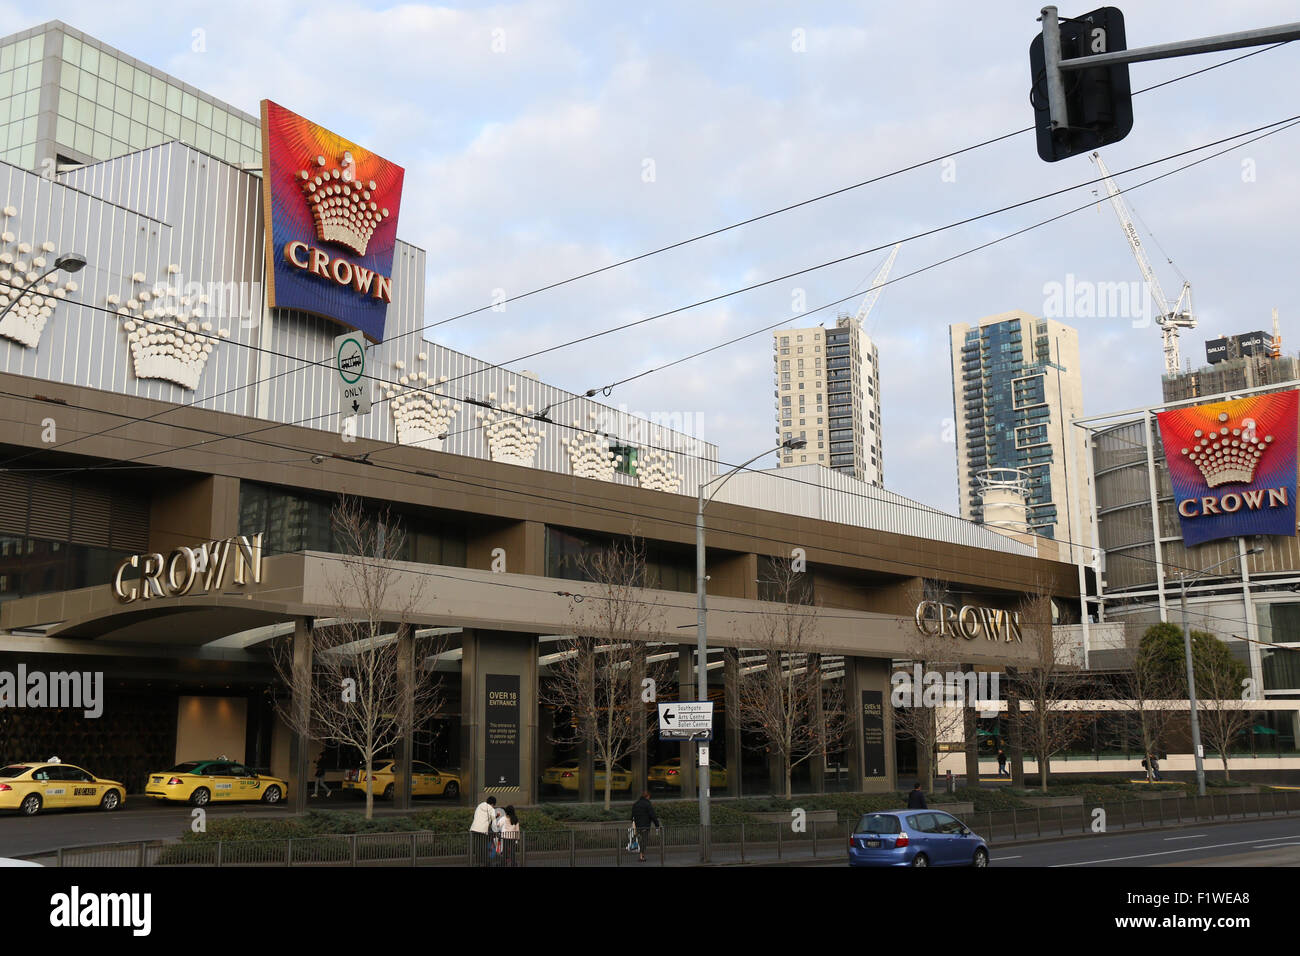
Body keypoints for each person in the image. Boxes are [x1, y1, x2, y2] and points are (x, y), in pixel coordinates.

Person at [630, 790, 660, 863]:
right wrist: (657, 825)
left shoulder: (635, 804)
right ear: (648, 797)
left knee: (639, 840)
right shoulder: (647, 804)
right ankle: (641, 856)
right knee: (644, 841)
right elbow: (652, 815)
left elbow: (632, 816)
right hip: (645, 826)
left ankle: (640, 854)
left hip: (637, 826)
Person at [469, 795, 497, 866]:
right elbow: (494, 823)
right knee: (484, 846)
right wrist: (496, 831)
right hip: (483, 830)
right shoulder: (492, 809)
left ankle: (478, 862)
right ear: (493, 804)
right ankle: (486, 862)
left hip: (474, 829)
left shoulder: (479, 805)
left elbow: (475, 816)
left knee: (477, 846)